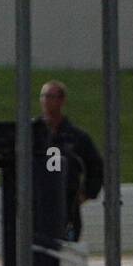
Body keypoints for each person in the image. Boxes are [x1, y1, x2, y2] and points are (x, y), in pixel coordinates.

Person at [34, 79, 103, 241]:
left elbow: (96, 166)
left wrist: (87, 193)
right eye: (43, 96)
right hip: (36, 206)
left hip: (67, 206)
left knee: (66, 255)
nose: (46, 101)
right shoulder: (32, 134)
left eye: (51, 96)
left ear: (61, 100)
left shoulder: (76, 136)